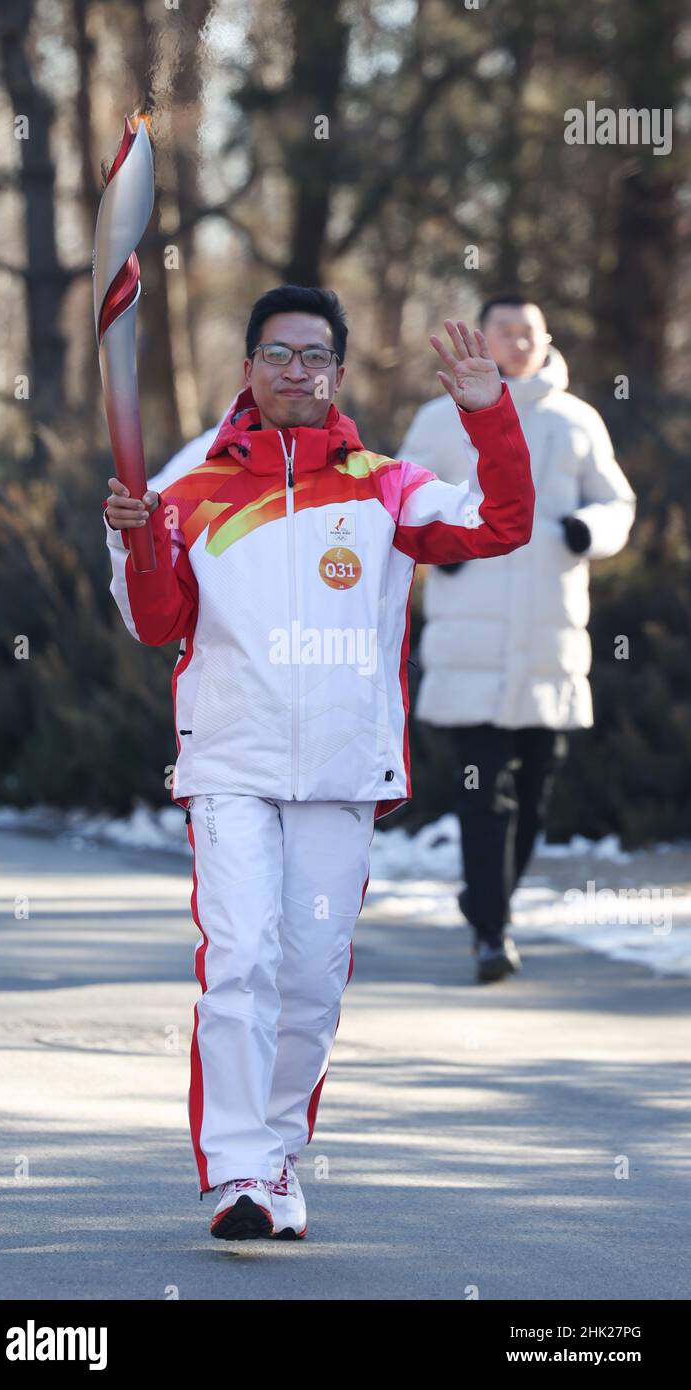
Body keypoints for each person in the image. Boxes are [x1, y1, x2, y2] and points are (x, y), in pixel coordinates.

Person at [102, 285, 535, 1240]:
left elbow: (500, 525)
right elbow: (156, 623)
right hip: (228, 764)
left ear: (337, 371)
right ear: (249, 366)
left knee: (308, 981)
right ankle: (238, 1175)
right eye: (277, 354)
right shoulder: (188, 495)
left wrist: (485, 412)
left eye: (314, 357)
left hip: (341, 770)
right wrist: (134, 540)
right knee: (241, 963)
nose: (296, 371)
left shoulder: (386, 484)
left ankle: (278, 1152)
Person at [398, 295, 636, 985]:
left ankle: (484, 900)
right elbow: (408, 493)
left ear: (545, 338)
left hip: (547, 642)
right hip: (468, 638)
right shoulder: (441, 418)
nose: (517, 341)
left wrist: (587, 531)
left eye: (528, 331)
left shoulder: (576, 420)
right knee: (483, 791)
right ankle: (491, 933)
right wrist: (439, 545)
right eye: (503, 330)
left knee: (533, 793)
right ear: (485, 337)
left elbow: (615, 500)